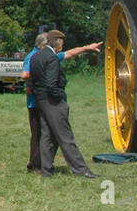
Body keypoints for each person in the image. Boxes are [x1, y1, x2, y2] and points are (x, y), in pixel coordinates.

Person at [21, 32, 100, 172]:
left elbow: (69, 54)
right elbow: (26, 75)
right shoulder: (36, 56)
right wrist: (58, 95)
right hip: (42, 102)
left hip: (40, 99)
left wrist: (87, 47)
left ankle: (45, 168)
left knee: (47, 135)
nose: (62, 46)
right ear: (44, 44)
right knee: (44, 135)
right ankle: (35, 165)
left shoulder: (41, 56)